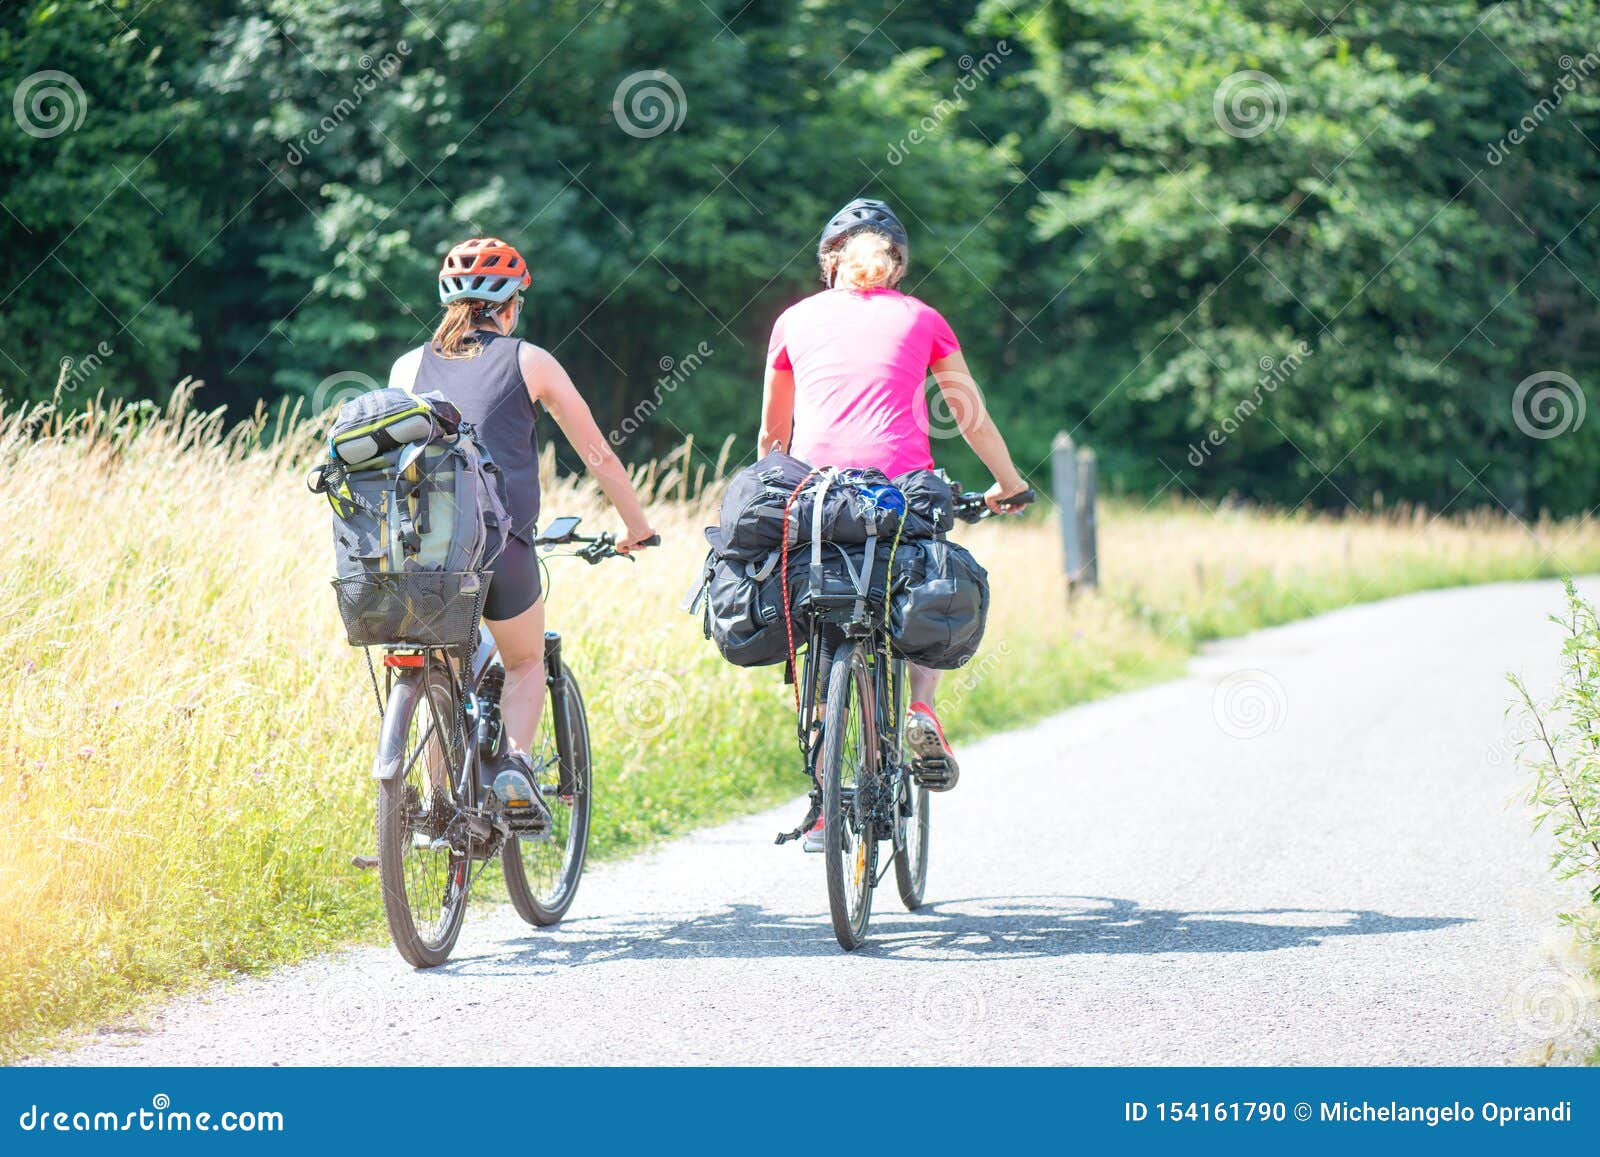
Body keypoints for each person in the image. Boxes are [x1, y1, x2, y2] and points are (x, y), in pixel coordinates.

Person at [757, 199, 1029, 847]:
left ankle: (825, 804)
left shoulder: (793, 319)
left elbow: (773, 432)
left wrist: (771, 498)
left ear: (831, 264)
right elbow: (970, 416)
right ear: (896, 268)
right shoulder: (924, 317)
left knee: (818, 625)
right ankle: (921, 707)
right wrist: (1010, 484)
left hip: (818, 494)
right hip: (900, 493)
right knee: (922, 585)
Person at [389, 236, 657, 822]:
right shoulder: (528, 359)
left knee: (445, 671)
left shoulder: (407, 367)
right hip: (502, 547)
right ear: (510, 306)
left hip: (427, 553)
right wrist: (637, 526)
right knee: (525, 662)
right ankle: (515, 764)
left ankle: (438, 805)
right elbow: (598, 456)